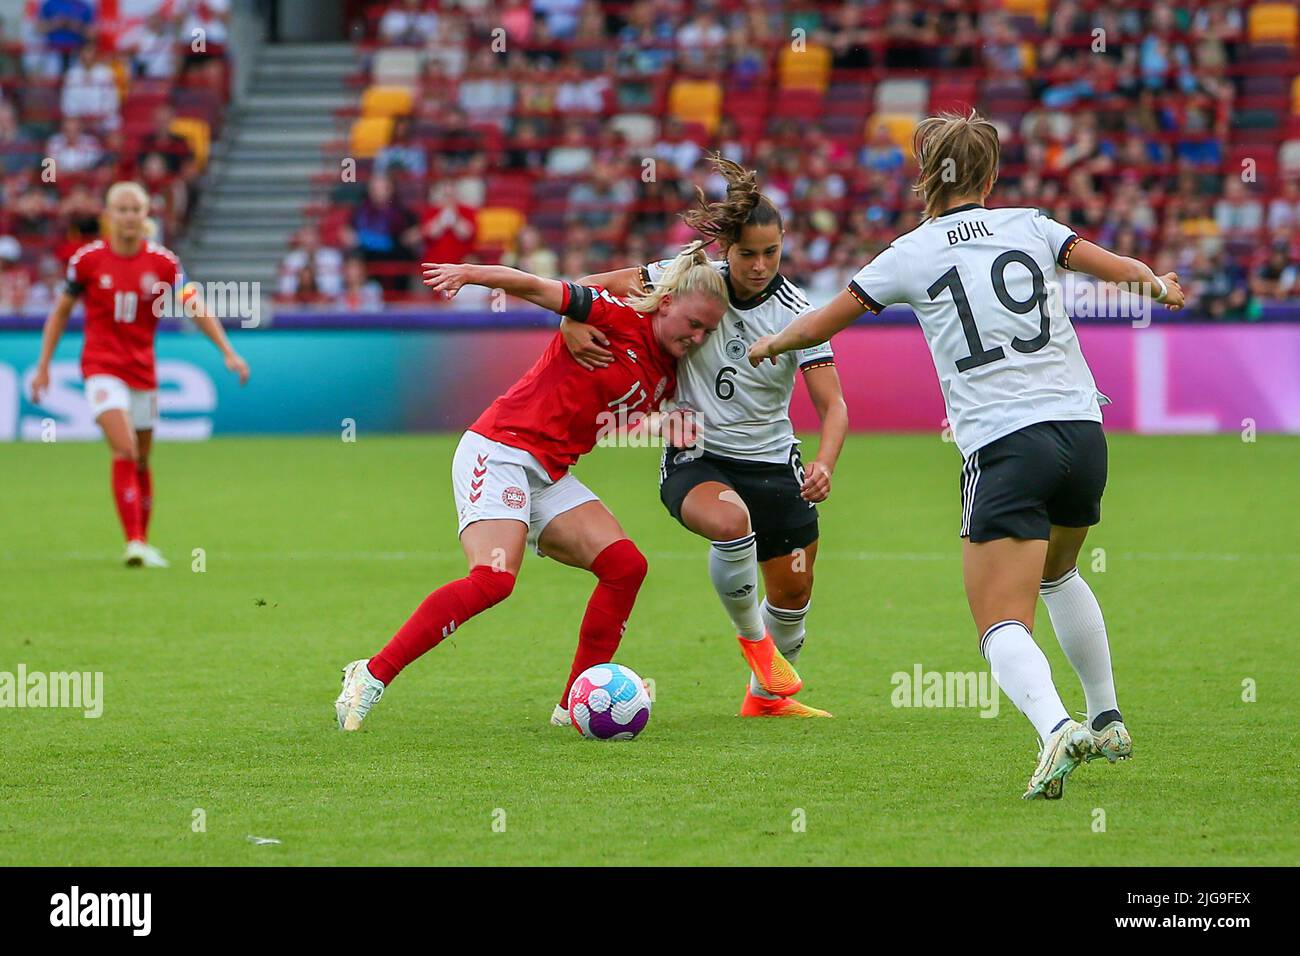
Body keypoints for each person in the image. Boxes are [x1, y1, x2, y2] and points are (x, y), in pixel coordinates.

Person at [748, 110, 1185, 798]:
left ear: (926, 176)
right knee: (1060, 573)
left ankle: (1055, 730)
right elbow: (1122, 271)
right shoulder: (1033, 225)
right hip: (1081, 429)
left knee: (999, 620)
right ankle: (1107, 717)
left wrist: (772, 344)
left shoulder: (909, 253)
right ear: (993, 175)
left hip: (1006, 443)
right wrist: (1159, 286)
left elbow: (829, 318)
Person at [335, 243, 728, 731]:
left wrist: (663, 427)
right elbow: (536, 286)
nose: (699, 336)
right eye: (694, 324)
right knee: (494, 580)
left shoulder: (670, 372)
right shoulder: (612, 315)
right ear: (666, 304)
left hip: (549, 471)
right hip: (498, 450)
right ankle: (369, 675)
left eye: (708, 331)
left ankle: (575, 705)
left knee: (626, 567)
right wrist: (470, 274)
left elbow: (614, 413)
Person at [565, 155, 848, 718]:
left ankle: (764, 699)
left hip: (775, 465)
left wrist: (825, 463)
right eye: (748, 253)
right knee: (730, 523)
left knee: (793, 596)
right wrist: (573, 317)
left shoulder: (800, 315)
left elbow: (833, 405)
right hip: (698, 456)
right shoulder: (690, 279)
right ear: (726, 250)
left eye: (772, 252)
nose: (761, 264)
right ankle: (754, 642)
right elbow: (593, 286)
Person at [30, 181, 250, 567]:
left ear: (146, 215)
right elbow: (61, 313)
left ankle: (143, 541)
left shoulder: (164, 264)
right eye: (122, 209)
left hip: (143, 372)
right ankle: (133, 541)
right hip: (100, 368)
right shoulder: (87, 261)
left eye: (136, 210)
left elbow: (195, 306)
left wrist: (228, 352)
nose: (129, 217)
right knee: (125, 448)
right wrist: (44, 366)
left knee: (143, 459)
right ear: (109, 215)